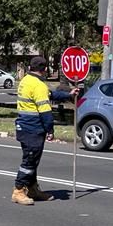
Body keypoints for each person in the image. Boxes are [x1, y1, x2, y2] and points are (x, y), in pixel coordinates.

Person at [12, 56, 77, 205]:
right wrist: (50, 130)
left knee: (33, 161)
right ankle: (18, 190)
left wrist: (69, 94)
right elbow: (45, 112)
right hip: (32, 128)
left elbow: (50, 94)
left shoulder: (27, 81)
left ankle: (32, 189)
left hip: (25, 126)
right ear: (45, 69)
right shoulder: (38, 85)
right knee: (29, 161)